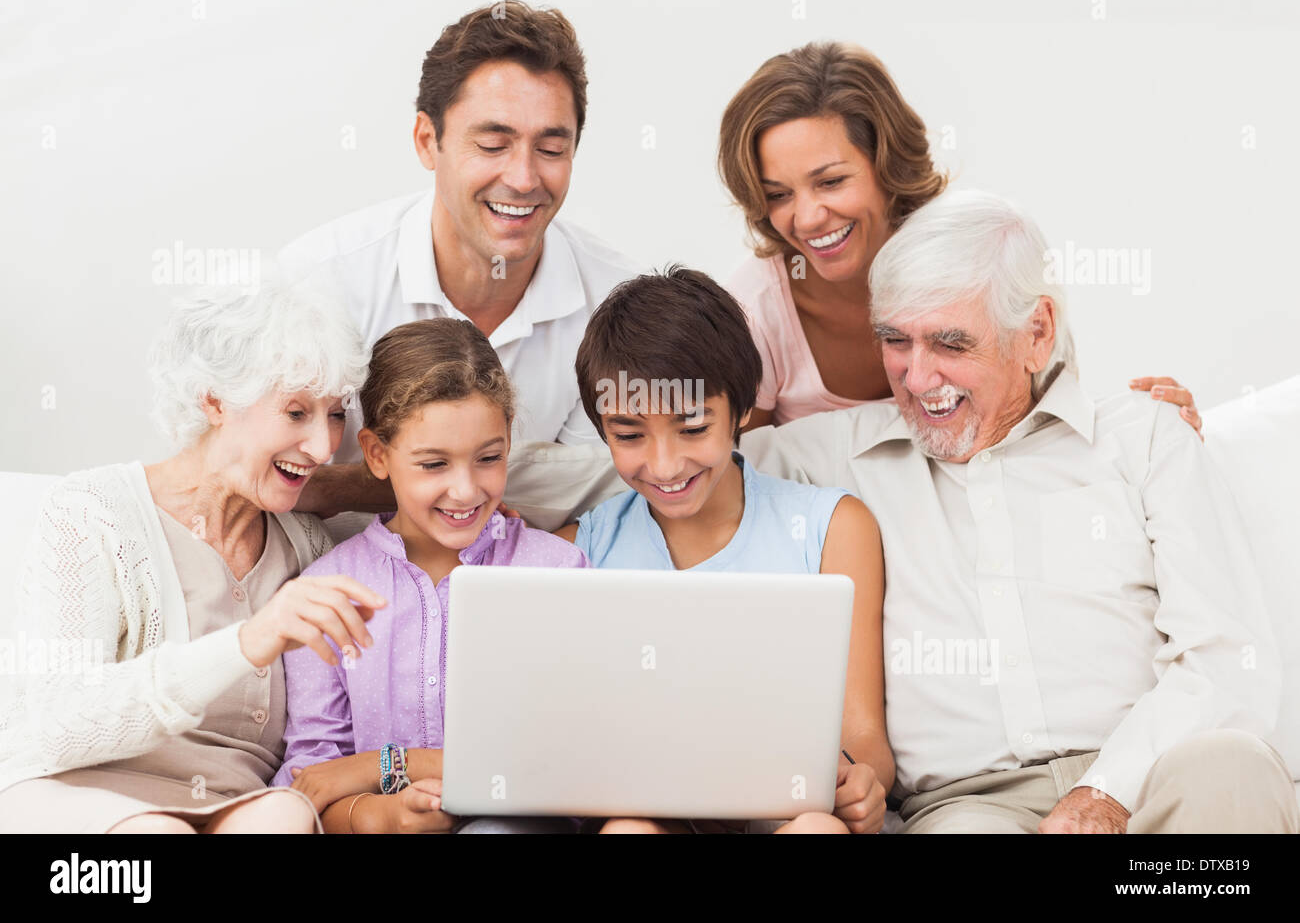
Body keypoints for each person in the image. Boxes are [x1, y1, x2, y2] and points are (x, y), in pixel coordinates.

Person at [501, 190, 1298, 833]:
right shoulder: (827, 454)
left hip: (1148, 779)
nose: (918, 379)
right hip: (972, 807)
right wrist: (437, 477)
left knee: (1230, 766)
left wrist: (1105, 795)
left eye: (950, 343)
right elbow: (651, 465)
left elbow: (1226, 658)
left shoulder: (1143, 438)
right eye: (896, 342)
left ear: (1036, 332)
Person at [0, 283, 386, 833]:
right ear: (214, 400)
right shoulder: (93, 512)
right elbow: (53, 722)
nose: (324, 447)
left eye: (334, 415)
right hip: (71, 798)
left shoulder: (310, 545)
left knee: (284, 816)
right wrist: (244, 643)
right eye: (296, 411)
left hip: (230, 812)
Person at [717, 42, 1201, 433]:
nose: (805, 218)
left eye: (830, 182)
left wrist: (1153, 431)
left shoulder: (981, 256)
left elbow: (1053, 426)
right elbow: (743, 486)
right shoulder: (755, 312)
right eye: (777, 194)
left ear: (885, 166)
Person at [553, 267, 888, 834]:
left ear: (741, 411)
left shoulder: (833, 529)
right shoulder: (577, 552)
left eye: (692, 428)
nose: (664, 466)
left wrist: (861, 780)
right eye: (630, 436)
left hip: (787, 818)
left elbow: (863, 735)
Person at [281, 0, 643, 516]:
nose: (523, 178)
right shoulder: (317, 284)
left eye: (551, 149)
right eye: (493, 144)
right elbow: (253, 478)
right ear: (428, 142)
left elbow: (591, 505)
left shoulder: (620, 308)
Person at [274, 318, 588, 833]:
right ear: (377, 455)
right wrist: (383, 815)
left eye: (489, 458)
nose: (464, 491)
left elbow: (572, 763)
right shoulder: (328, 591)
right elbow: (312, 782)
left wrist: (386, 765)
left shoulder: (556, 573)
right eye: (434, 464)